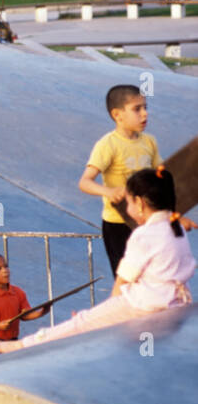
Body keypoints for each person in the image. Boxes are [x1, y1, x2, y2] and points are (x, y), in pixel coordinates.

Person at [0, 168, 193, 353]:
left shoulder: (145, 234)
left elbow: (122, 282)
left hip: (146, 304)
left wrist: (101, 315)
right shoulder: (178, 229)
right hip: (178, 301)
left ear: (140, 203)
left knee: (81, 322)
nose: (128, 207)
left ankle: (23, 345)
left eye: (129, 202)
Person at [79, 84, 161, 275]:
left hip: (146, 221)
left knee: (152, 275)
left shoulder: (149, 142)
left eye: (145, 107)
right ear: (117, 115)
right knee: (127, 278)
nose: (144, 114)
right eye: (137, 109)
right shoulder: (108, 145)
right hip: (118, 223)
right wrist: (108, 191)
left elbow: (160, 174)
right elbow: (85, 182)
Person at [0, 254, 49, 357]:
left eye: (6, 266)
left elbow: (24, 315)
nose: (5, 270)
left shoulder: (18, 292)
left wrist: (41, 312)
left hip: (12, 340)